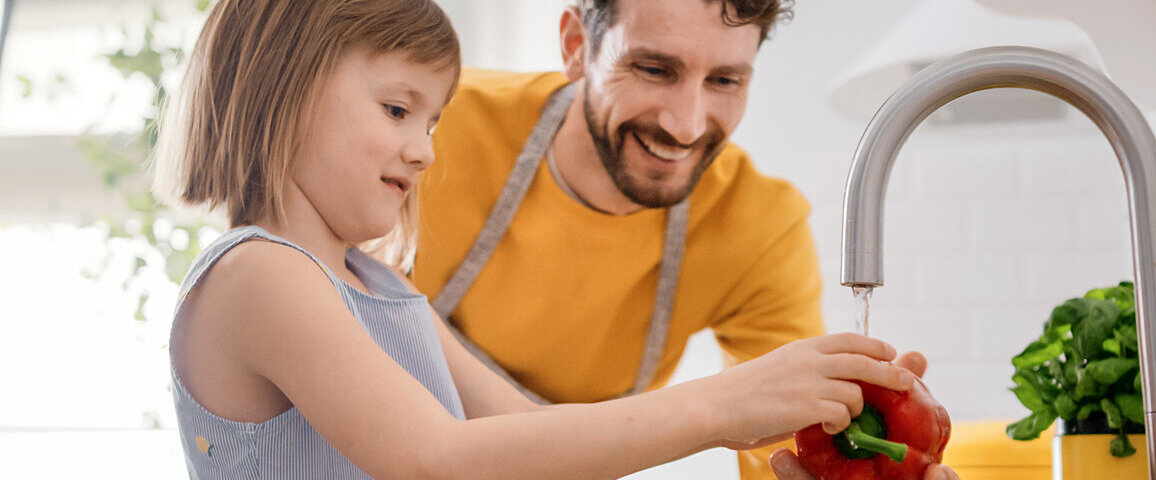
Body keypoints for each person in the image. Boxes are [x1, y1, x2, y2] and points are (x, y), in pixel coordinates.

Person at [152, 0, 929, 478]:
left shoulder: (377, 286)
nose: (428, 148)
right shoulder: (262, 277)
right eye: (399, 111)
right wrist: (722, 406)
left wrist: (859, 447)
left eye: (429, 120)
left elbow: (526, 442)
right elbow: (437, 460)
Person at [413, 1, 931, 477]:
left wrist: (863, 451)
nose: (684, 125)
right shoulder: (429, 128)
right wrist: (718, 407)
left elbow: (782, 449)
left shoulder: (757, 226)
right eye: (655, 70)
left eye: (724, 80)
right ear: (577, 46)